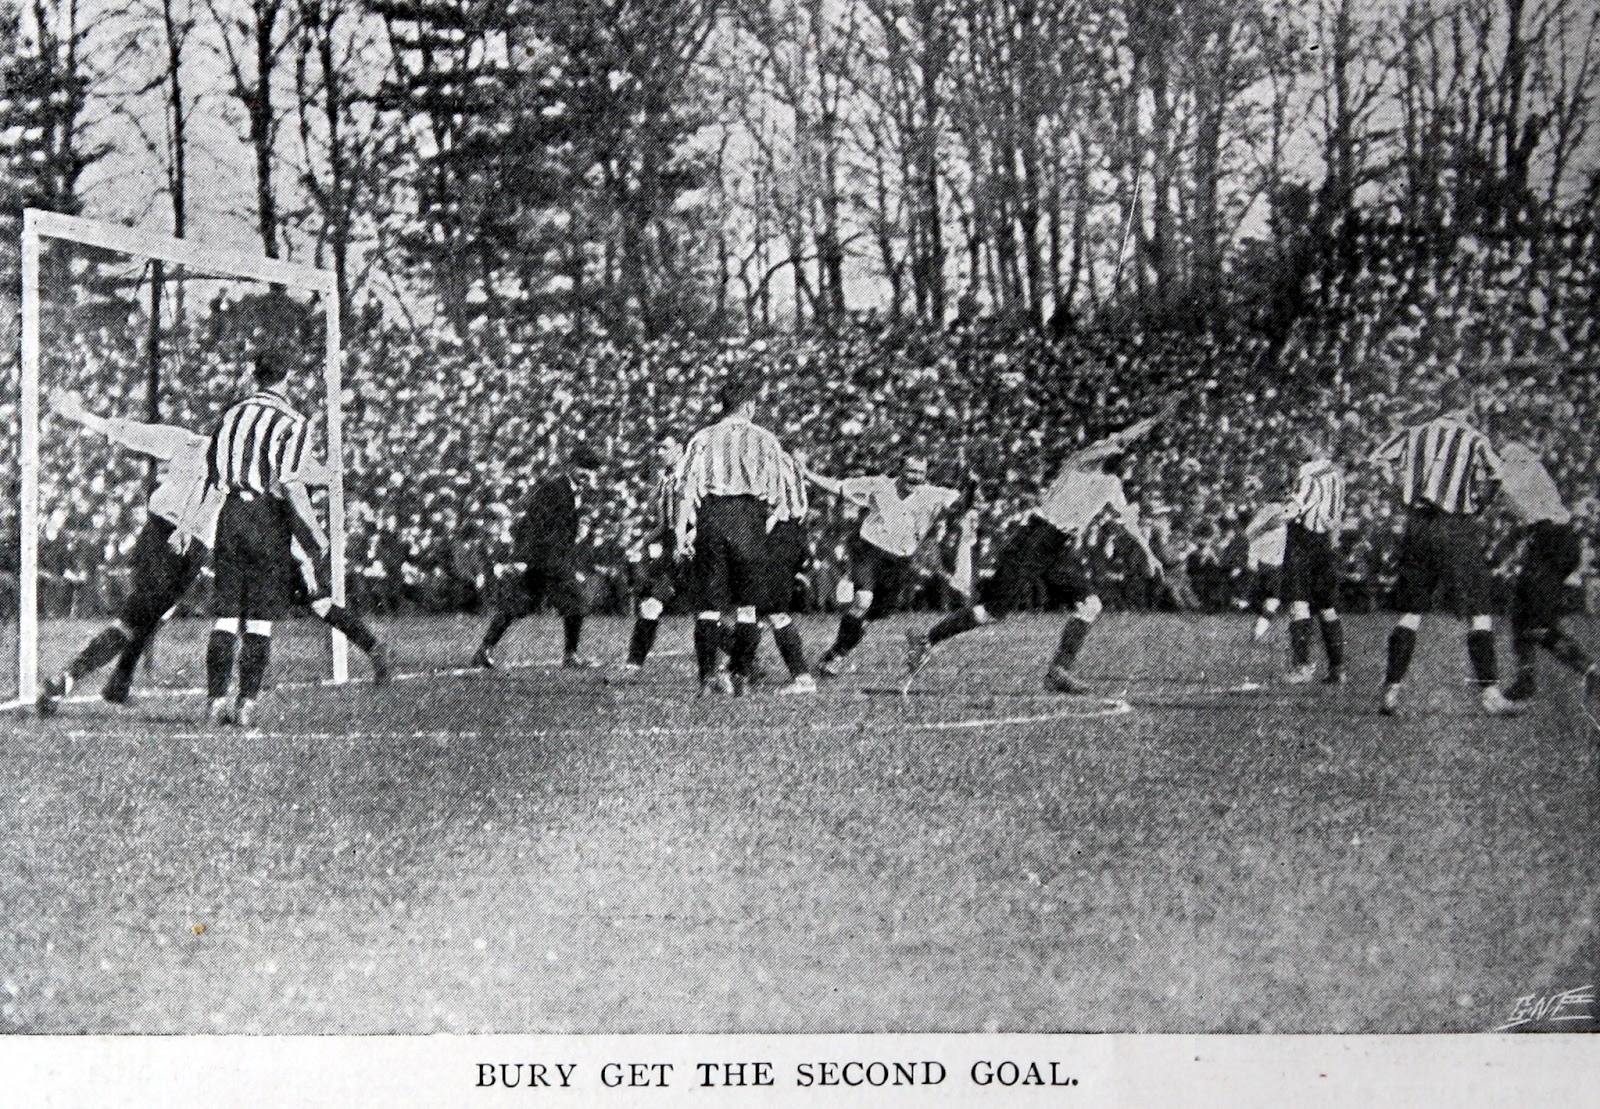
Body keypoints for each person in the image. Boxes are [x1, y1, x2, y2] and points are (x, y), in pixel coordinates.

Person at [906, 411, 1166, 693]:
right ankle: (926, 638)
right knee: (992, 611)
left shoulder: (1112, 484)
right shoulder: (1082, 462)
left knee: (1090, 604)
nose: (1130, 460)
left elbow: (1128, 519)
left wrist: (1148, 552)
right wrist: (1153, 420)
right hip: (1035, 538)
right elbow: (1120, 440)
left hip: (1058, 547)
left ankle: (1059, 671)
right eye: (1126, 451)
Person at [35, 389, 219, 714]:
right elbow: (131, 433)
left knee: (151, 613)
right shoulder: (195, 444)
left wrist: (83, 417)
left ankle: (119, 682)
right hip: (173, 537)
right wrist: (83, 417)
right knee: (138, 615)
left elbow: (130, 433)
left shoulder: (194, 443)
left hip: (176, 539)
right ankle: (69, 678)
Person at [1370, 406, 1518, 716]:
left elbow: (1379, 459)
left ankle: (1391, 689)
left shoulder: (1414, 432)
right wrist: (1480, 503)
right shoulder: (1472, 437)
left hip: (1418, 525)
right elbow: (1498, 473)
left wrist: (1399, 491)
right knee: (1479, 610)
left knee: (1411, 611)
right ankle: (1490, 694)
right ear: (1463, 409)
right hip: (1455, 526)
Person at [203, 353, 323, 728]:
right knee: (259, 620)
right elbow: (290, 483)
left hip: (230, 514)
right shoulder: (293, 422)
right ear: (286, 377)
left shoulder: (230, 414)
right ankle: (246, 703)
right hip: (267, 517)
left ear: (255, 376)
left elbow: (213, 469)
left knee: (225, 617)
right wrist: (314, 530)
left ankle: (215, 700)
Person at [674, 378, 802, 695]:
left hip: (712, 516)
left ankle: (706, 679)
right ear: (748, 406)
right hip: (749, 517)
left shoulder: (702, 437)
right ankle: (741, 674)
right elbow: (779, 499)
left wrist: (681, 532)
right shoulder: (766, 439)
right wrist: (764, 526)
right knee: (748, 608)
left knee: (709, 606)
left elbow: (685, 489)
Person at [803, 453, 971, 676]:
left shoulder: (933, 495)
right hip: (869, 550)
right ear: (900, 470)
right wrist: (807, 473)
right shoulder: (879, 485)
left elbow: (960, 506)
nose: (916, 477)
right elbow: (838, 487)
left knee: (876, 613)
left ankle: (837, 649)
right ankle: (837, 655)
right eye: (911, 471)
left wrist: (971, 482)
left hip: (900, 560)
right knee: (863, 601)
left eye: (921, 473)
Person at [474, 445, 605, 670]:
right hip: (548, 558)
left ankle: (484, 649)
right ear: (571, 466)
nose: (589, 474)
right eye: (584, 468)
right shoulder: (554, 488)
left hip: (548, 558)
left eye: (593, 470)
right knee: (575, 601)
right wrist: (542, 554)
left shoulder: (572, 490)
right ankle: (570, 655)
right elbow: (535, 522)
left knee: (519, 603)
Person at [1494, 439, 1598, 703]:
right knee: (1521, 613)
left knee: (1535, 623)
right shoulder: (1530, 467)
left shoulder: (1514, 466)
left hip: (1551, 540)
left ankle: (1589, 671)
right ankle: (1527, 678)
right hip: (1554, 540)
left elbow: (1504, 490)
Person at [1276, 432, 1346, 684]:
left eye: (1302, 442)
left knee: (1299, 604)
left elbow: (1293, 509)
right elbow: (1336, 515)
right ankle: (1338, 668)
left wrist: (1268, 521)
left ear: (1317, 445)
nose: (1297, 446)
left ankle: (1303, 667)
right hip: (1325, 544)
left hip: (1302, 542)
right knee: (1327, 607)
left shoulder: (1307, 473)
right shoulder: (1337, 475)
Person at [619, 436, 683, 671]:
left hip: (688, 551)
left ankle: (745, 663)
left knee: (703, 612)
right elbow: (666, 524)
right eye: (657, 447)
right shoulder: (666, 481)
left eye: (665, 447)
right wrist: (643, 542)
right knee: (651, 604)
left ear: (679, 449)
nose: (659, 452)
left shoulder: (689, 477)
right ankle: (633, 665)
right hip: (671, 551)